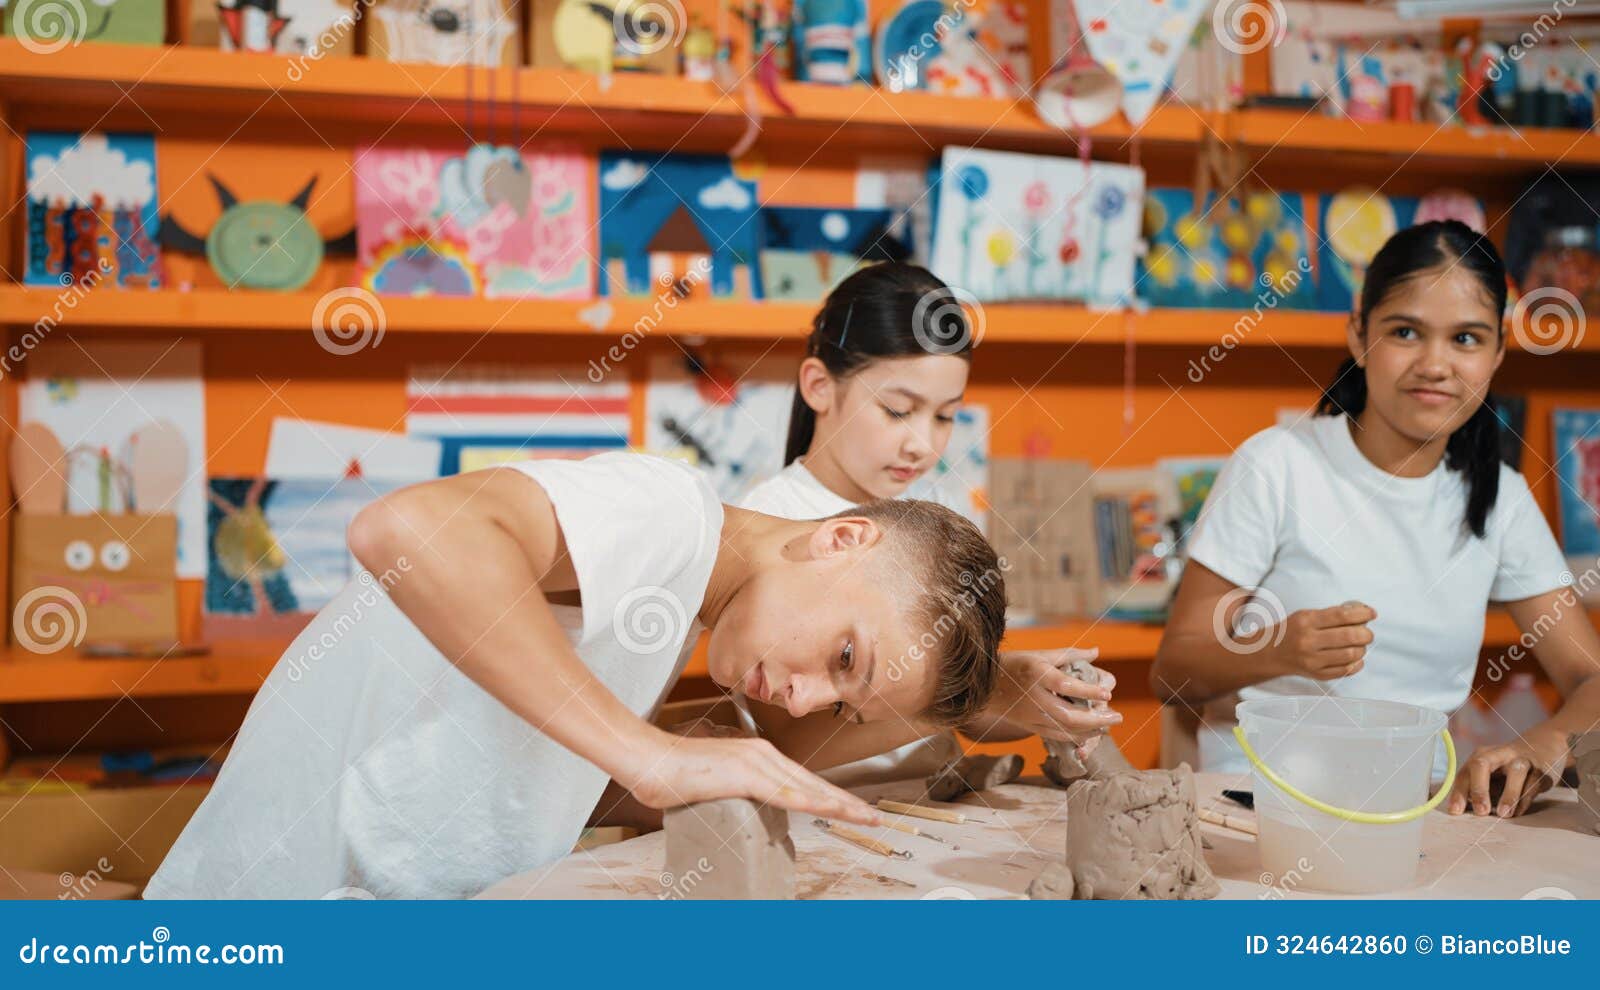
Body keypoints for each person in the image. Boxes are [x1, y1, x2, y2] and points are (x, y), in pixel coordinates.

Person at [146, 450, 1005, 898]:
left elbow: (532, 766)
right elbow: (407, 529)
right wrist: (648, 754)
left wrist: (679, 778)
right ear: (842, 537)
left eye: (842, 704)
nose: (806, 696)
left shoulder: (670, 608)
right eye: (844, 658)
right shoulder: (667, 511)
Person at [1152, 220, 1600, 818]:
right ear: (1360, 337)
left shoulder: (1503, 499)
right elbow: (1172, 670)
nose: (1435, 364)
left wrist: (1549, 740)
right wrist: (1281, 649)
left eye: (1466, 339)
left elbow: (1589, 678)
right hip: (1258, 805)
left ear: (1496, 353)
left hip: (1412, 813)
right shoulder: (1277, 465)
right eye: (1406, 332)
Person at [737, 262, 1121, 785]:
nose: (923, 444)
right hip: (826, 817)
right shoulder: (771, 522)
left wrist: (1034, 693)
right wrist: (989, 690)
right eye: (898, 411)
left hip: (931, 806)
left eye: (945, 417)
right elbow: (789, 737)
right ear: (819, 386)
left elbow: (954, 704)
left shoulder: (931, 516)